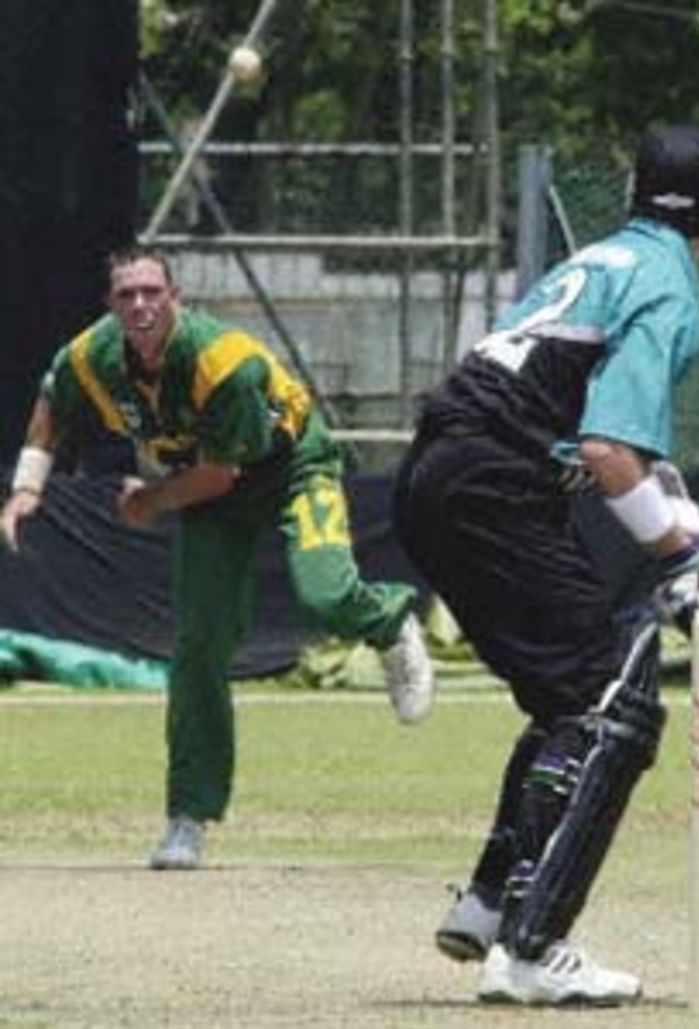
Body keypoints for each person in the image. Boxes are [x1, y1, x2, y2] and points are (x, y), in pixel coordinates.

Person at [391, 123, 699, 1006]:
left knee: (569, 697)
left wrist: (689, 532)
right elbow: (607, 452)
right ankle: (531, 945)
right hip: (496, 484)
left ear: (636, 195)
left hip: (434, 474)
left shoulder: (599, 260)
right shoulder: (670, 284)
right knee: (607, 700)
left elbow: (611, 440)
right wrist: (680, 557)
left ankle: (490, 902)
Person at [0, 246, 434, 870]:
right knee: (199, 647)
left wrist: (150, 500)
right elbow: (53, 402)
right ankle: (188, 816)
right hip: (209, 489)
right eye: (127, 295)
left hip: (291, 467)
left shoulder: (221, 362)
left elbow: (221, 473)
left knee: (325, 592)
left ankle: (388, 621)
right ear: (110, 305)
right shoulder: (92, 355)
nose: (141, 305)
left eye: (153, 292)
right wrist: (27, 487)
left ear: (175, 298)